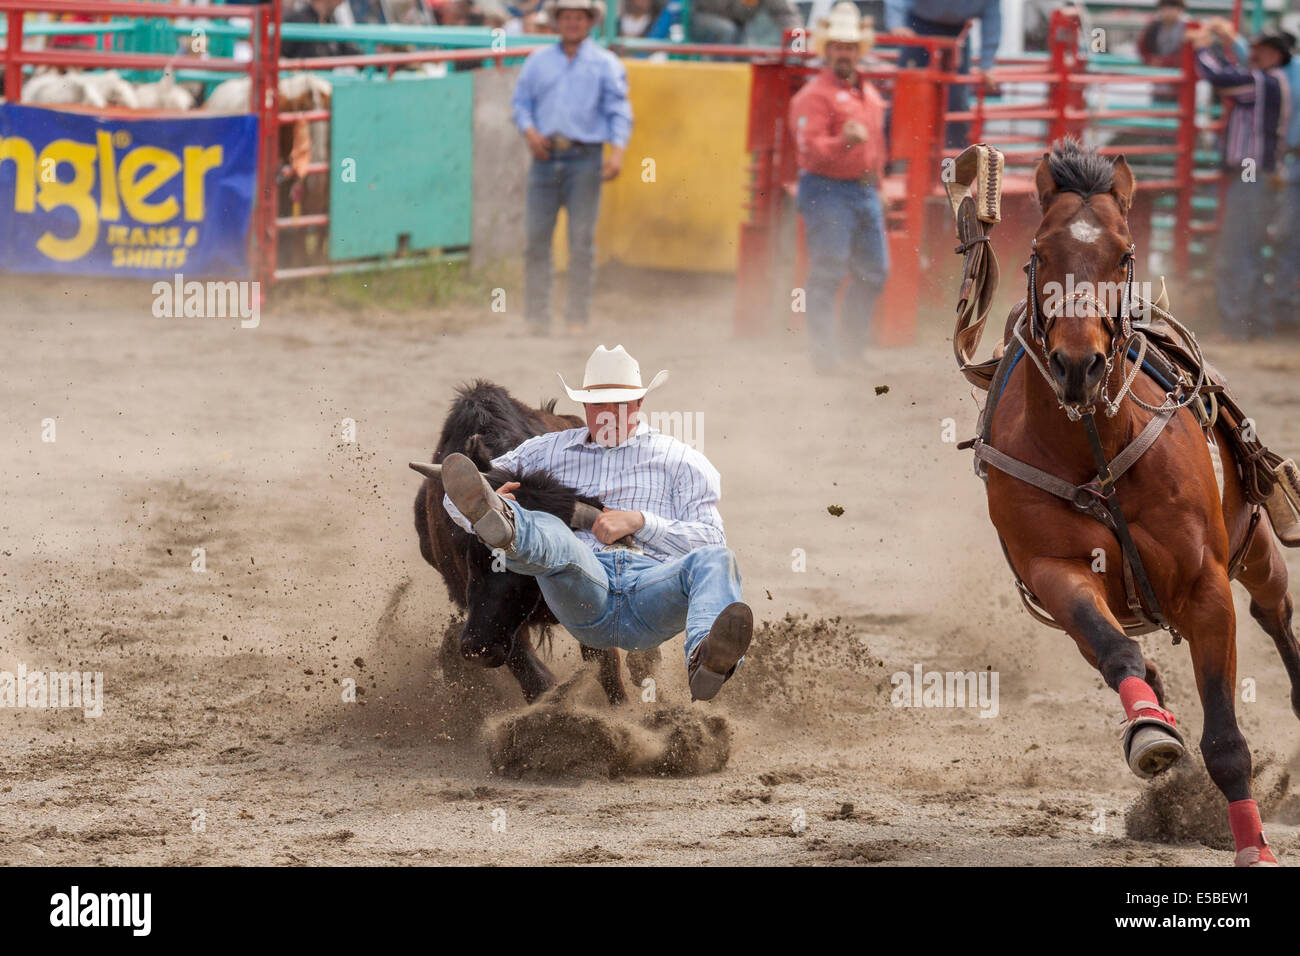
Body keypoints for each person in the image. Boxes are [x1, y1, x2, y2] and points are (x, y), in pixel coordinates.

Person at [440, 345, 753, 703]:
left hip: (651, 588)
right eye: (598, 405)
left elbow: (711, 538)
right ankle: (504, 522)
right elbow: (457, 492)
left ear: (638, 405)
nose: (607, 414)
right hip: (584, 585)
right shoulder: (547, 449)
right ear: (585, 407)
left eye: (618, 405)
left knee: (718, 561)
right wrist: (484, 503)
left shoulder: (682, 460)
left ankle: (707, 660)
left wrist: (641, 522)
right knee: (554, 531)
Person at [511, 0, 633, 336]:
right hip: (545, 156)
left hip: (585, 158)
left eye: (579, 17)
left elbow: (619, 110)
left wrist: (617, 152)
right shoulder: (538, 62)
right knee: (537, 239)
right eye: (567, 17)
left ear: (590, 22)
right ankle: (537, 318)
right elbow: (521, 103)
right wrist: (530, 131)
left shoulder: (605, 64)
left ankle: (576, 318)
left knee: (580, 241)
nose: (573, 23)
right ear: (557, 21)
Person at [788, 2, 890, 372]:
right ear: (828, 50)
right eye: (838, 47)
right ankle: (825, 356)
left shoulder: (867, 92)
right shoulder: (814, 96)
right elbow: (809, 151)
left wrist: (876, 182)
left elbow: (875, 145)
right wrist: (843, 143)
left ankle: (849, 350)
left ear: (856, 50)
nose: (844, 52)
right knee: (829, 272)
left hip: (862, 190)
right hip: (826, 190)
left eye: (849, 47)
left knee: (874, 271)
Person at [1192, 18, 1294, 340]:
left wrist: (1202, 47)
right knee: (1250, 249)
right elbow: (1228, 73)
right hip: (1258, 174)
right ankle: (1255, 325)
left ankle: (1237, 325)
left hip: (1250, 173)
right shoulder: (1270, 80)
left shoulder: (1263, 82)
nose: (1255, 53)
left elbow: (1218, 76)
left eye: (1261, 50)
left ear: (1275, 55)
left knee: (1238, 249)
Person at [884, 0, 1002, 149]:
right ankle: (890, 158)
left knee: (957, 103)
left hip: (957, 34)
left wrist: (987, 63)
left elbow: (992, 15)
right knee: (905, 95)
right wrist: (896, 23)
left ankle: (955, 163)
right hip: (919, 28)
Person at [1271, 16, 1300, 336]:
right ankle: (1282, 309)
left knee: (1287, 239)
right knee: (1287, 239)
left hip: (1289, 166)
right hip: (1289, 166)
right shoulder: (1285, 75)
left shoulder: (1285, 75)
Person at [1136, 0, 1187, 101]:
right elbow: (1142, 49)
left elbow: (1188, 54)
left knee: (1179, 105)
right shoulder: (1152, 27)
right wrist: (1151, 60)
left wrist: (1164, 61)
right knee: (1159, 103)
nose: (1169, 11)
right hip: (1158, 76)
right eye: (1165, 7)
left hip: (1180, 76)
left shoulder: (1187, 28)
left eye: (1173, 7)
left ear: (1180, 10)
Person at [687, 0, 801, 45]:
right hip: (700, 18)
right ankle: (722, 78)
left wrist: (798, 36)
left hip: (737, 26)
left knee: (745, 51)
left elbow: (785, 13)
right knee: (726, 31)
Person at [282, 0, 364, 59]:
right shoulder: (297, 21)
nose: (341, 2)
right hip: (303, 80)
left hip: (326, 80)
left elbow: (349, 52)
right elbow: (280, 56)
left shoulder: (332, 23)